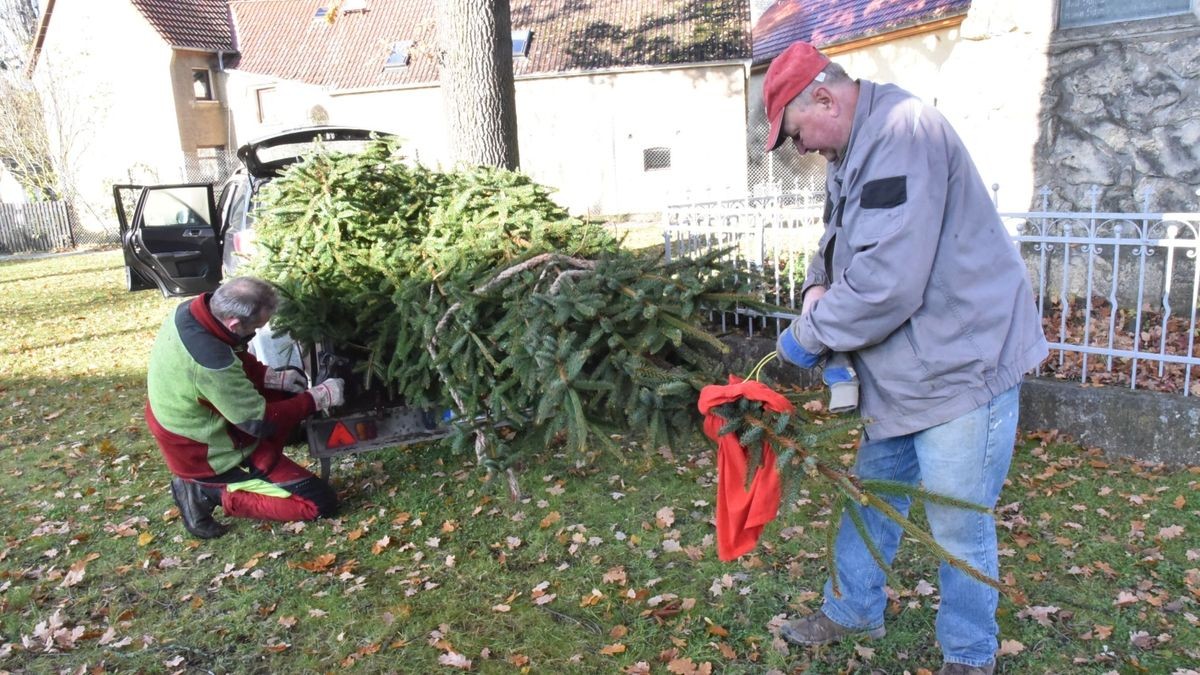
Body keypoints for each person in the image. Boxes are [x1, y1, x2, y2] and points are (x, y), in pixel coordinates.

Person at [763, 42, 1048, 675]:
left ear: (824, 98)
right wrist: (815, 286)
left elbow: (887, 284)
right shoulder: (852, 150)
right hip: (896, 372)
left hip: (959, 369)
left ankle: (970, 655)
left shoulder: (902, 134)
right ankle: (852, 608)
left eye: (794, 134)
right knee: (872, 496)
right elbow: (838, 245)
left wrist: (807, 336)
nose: (798, 149)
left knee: (957, 524)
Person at [145, 276, 345, 539]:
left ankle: (273, 450)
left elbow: (233, 350)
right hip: (207, 453)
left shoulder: (193, 311)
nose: (255, 335)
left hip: (194, 417)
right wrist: (318, 398)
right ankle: (208, 491)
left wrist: (268, 376)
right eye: (254, 329)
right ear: (234, 323)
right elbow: (259, 422)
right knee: (319, 503)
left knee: (288, 388)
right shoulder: (211, 364)